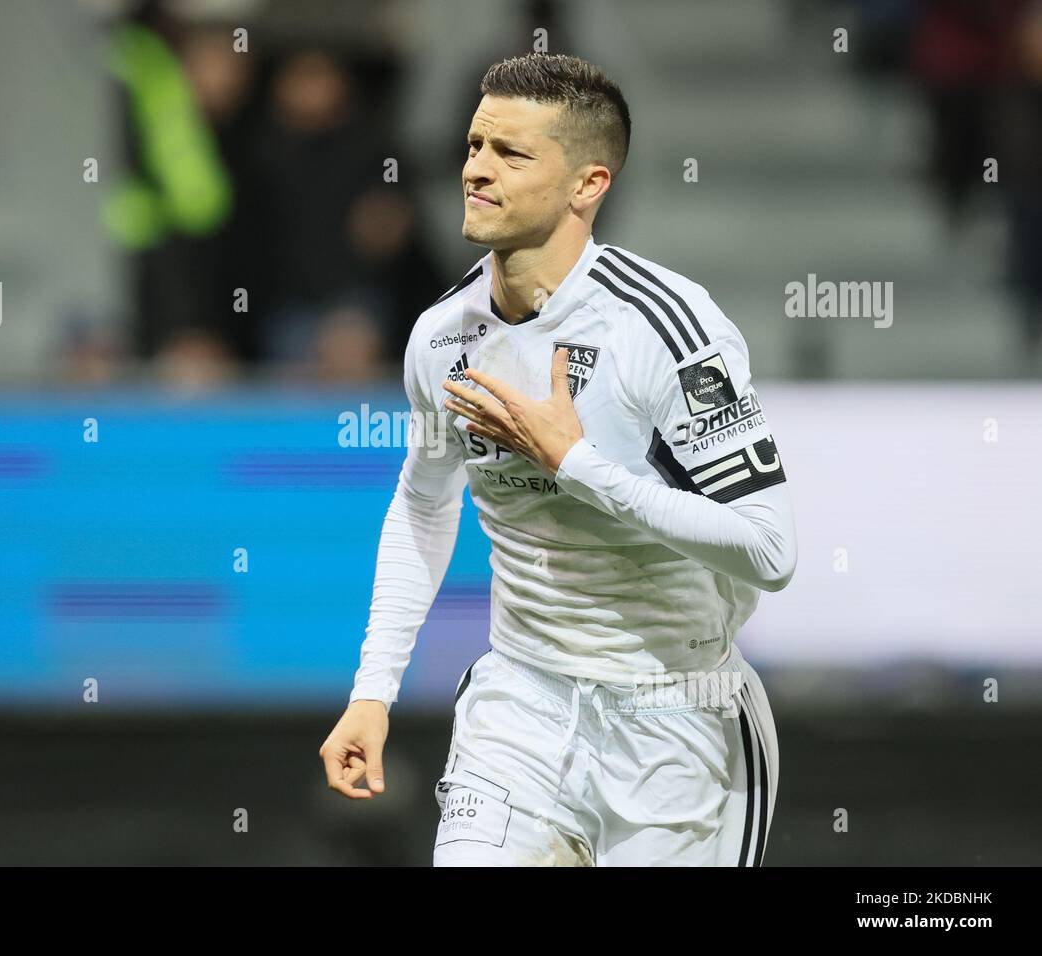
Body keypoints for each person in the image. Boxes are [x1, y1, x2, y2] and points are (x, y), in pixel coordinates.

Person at [318, 53, 797, 866]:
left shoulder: (668, 331)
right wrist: (373, 690)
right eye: (474, 146)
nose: (476, 169)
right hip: (522, 705)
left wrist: (575, 462)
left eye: (511, 154)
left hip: (680, 719)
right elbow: (425, 504)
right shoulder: (442, 339)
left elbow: (770, 550)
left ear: (588, 184)